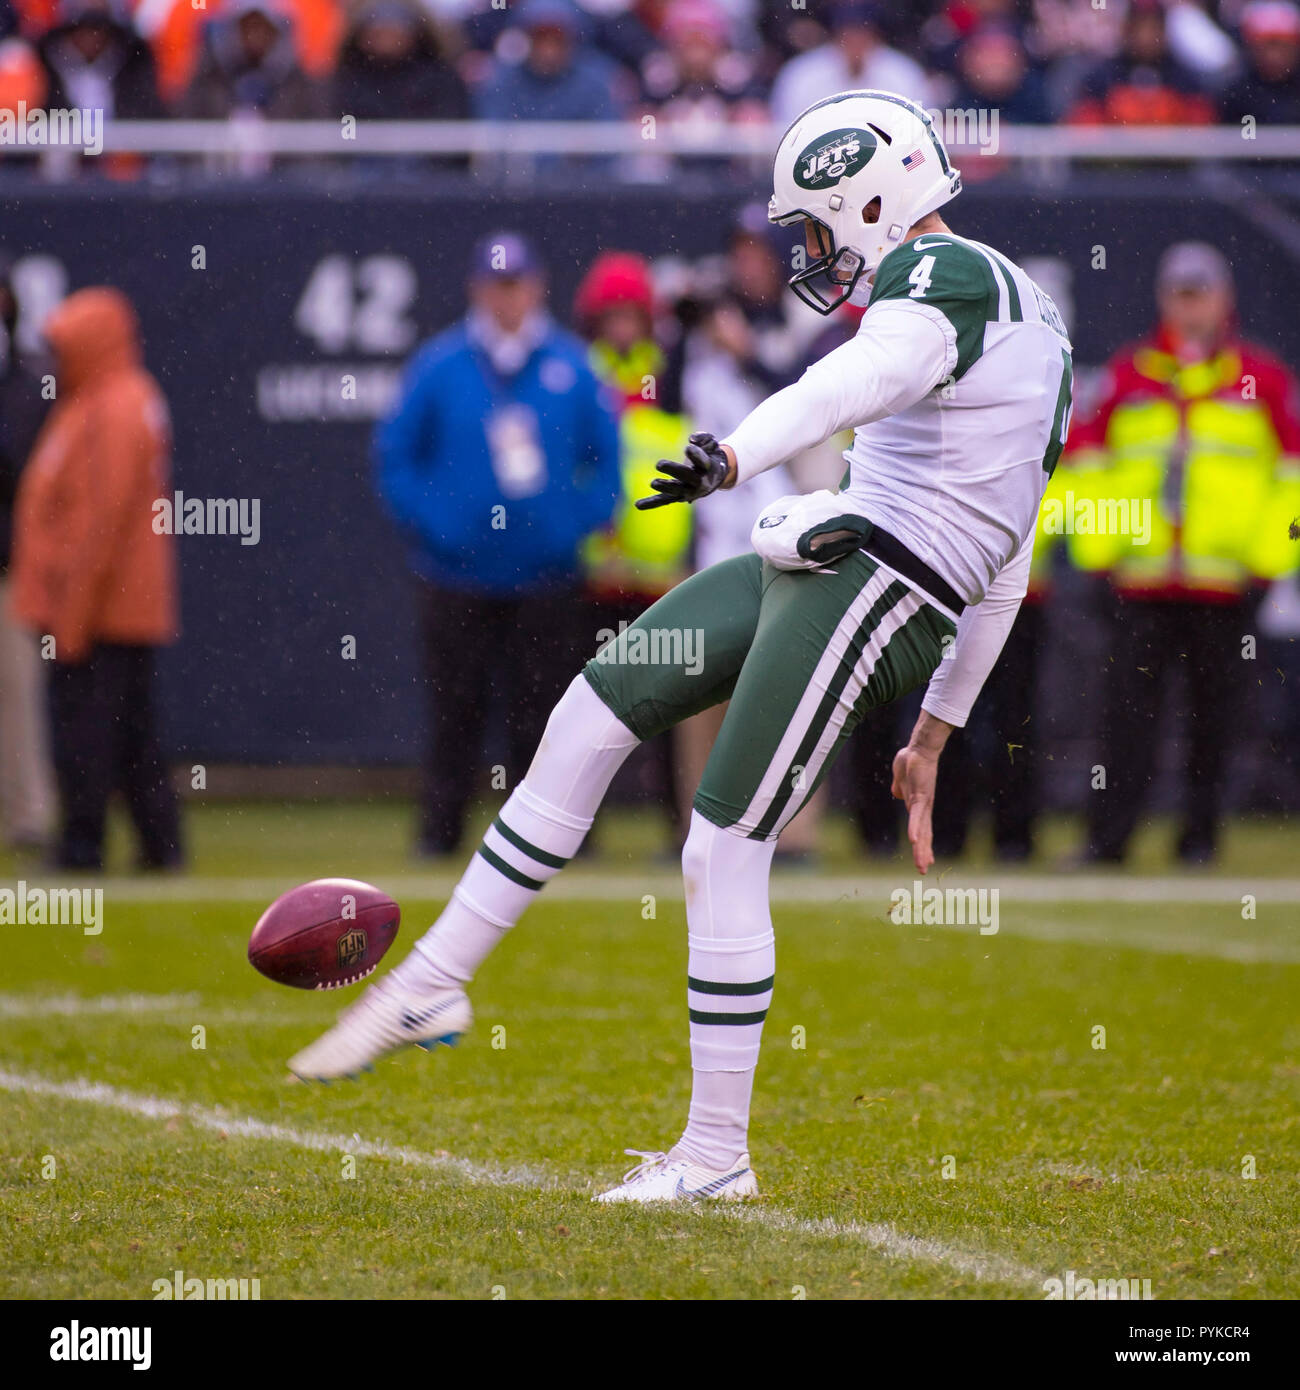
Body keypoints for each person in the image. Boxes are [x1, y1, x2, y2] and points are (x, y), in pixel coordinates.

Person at [288, 91, 1073, 1204]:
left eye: (814, 224)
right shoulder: (1020, 314)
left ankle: (715, 1157)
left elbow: (851, 388)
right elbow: (1010, 549)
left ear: (873, 196)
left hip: (879, 582)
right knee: (587, 714)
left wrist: (736, 455)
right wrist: (938, 729)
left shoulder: (941, 282)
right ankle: (433, 981)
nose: (806, 251)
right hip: (835, 556)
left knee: (721, 847)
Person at [374, 231, 621, 859]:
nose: (506, 298)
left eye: (516, 284)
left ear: (536, 287)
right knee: (454, 714)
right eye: (494, 285)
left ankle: (554, 840)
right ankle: (440, 835)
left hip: (547, 578)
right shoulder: (440, 365)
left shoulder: (572, 364)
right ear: (476, 289)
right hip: (455, 577)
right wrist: (438, 526)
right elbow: (395, 456)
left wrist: (572, 525)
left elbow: (609, 461)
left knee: (548, 721)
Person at [1066, 242, 1300, 865]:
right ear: (1164, 298)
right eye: (1181, 293)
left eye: (1201, 293)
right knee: (1124, 722)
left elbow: (1291, 478)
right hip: (1138, 585)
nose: (1191, 306)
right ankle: (1108, 841)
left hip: (1226, 586)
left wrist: (1268, 563)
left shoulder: (1262, 379)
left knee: (1214, 724)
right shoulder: (1128, 374)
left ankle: (1199, 840)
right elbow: (1087, 466)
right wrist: (1097, 555)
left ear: (1225, 299)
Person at [9, 287, 183, 872]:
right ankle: (161, 847)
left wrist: (71, 619)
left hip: (105, 611)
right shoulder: (103, 399)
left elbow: (99, 525)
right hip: (110, 608)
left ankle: (84, 847)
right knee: (131, 736)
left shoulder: (114, 405)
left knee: (89, 735)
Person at [0, 253, 55, 854]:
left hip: (10, 568)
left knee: (18, 698)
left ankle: (28, 816)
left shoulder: (32, 383)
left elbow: (22, 465)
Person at [768, 3, 930, 130]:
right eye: (848, 35)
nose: (855, 43)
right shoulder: (802, 73)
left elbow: (920, 128)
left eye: (862, 34)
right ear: (835, 36)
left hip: (890, 161)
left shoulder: (902, 73)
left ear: (875, 36)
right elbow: (783, 128)